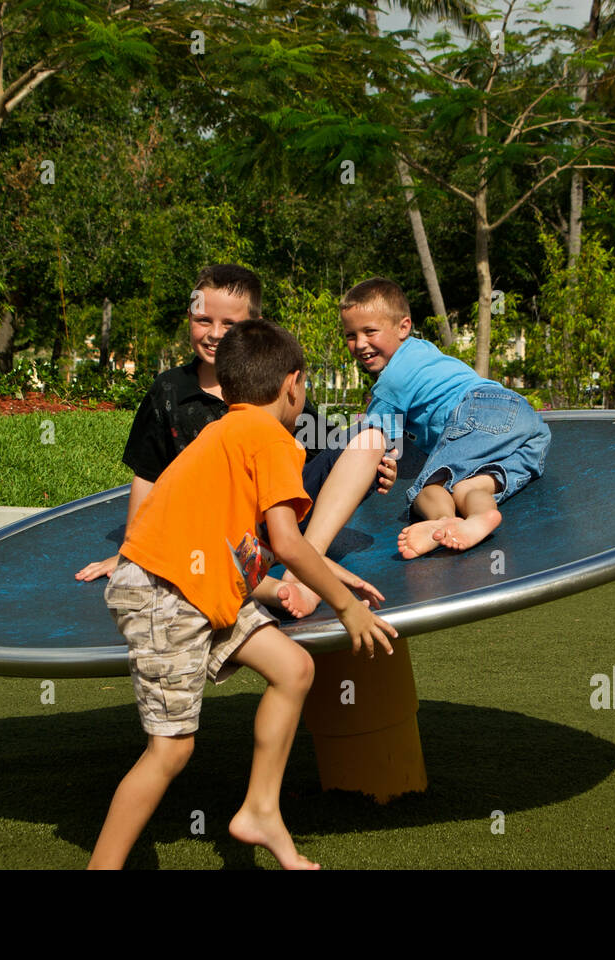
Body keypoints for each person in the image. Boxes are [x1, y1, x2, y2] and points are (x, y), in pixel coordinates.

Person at [88, 319, 396, 870]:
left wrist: (328, 574)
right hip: (167, 592)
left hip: (190, 587)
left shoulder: (222, 433)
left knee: (294, 668)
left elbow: (239, 546)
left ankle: (259, 810)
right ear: (293, 384)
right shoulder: (273, 439)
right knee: (171, 750)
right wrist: (345, 606)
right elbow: (287, 541)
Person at [75, 265, 395, 616]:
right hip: (220, 529)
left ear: (251, 326)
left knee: (368, 439)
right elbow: (148, 475)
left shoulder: (278, 390)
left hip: (280, 518)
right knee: (207, 547)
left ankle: (307, 562)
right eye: (203, 320)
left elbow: (330, 448)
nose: (214, 334)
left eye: (228, 324)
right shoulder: (168, 392)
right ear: (189, 318)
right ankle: (272, 585)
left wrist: (374, 462)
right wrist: (131, 551)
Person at [338, 276, 551, 558]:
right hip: (528, 424)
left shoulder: (392, 380)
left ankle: (441, 523)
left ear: (404, 327)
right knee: (469, 485)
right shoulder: (424, 351)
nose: (360, 344)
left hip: (478, 410)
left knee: (430, 488)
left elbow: (370, 438)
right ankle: (481, 515)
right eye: (351, 336)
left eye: (370, 331)